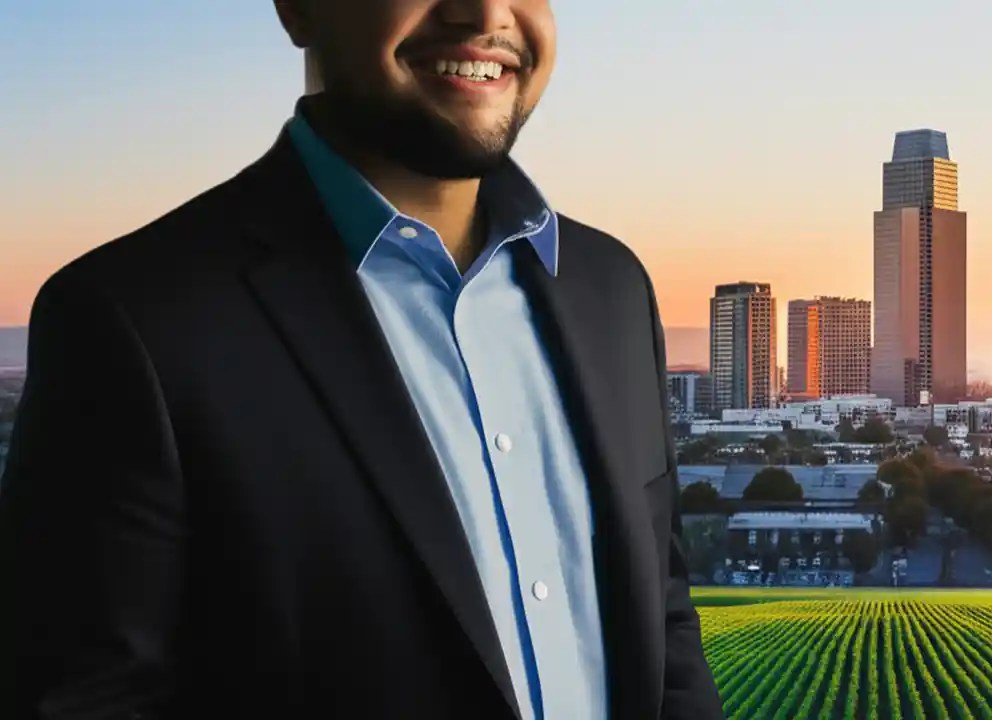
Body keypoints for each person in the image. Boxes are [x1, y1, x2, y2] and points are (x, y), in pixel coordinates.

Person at [0, 1, 723, 718]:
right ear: (299, 10)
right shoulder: (135, 318)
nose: (483, 14)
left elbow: (661, 617)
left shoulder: (610, 287)